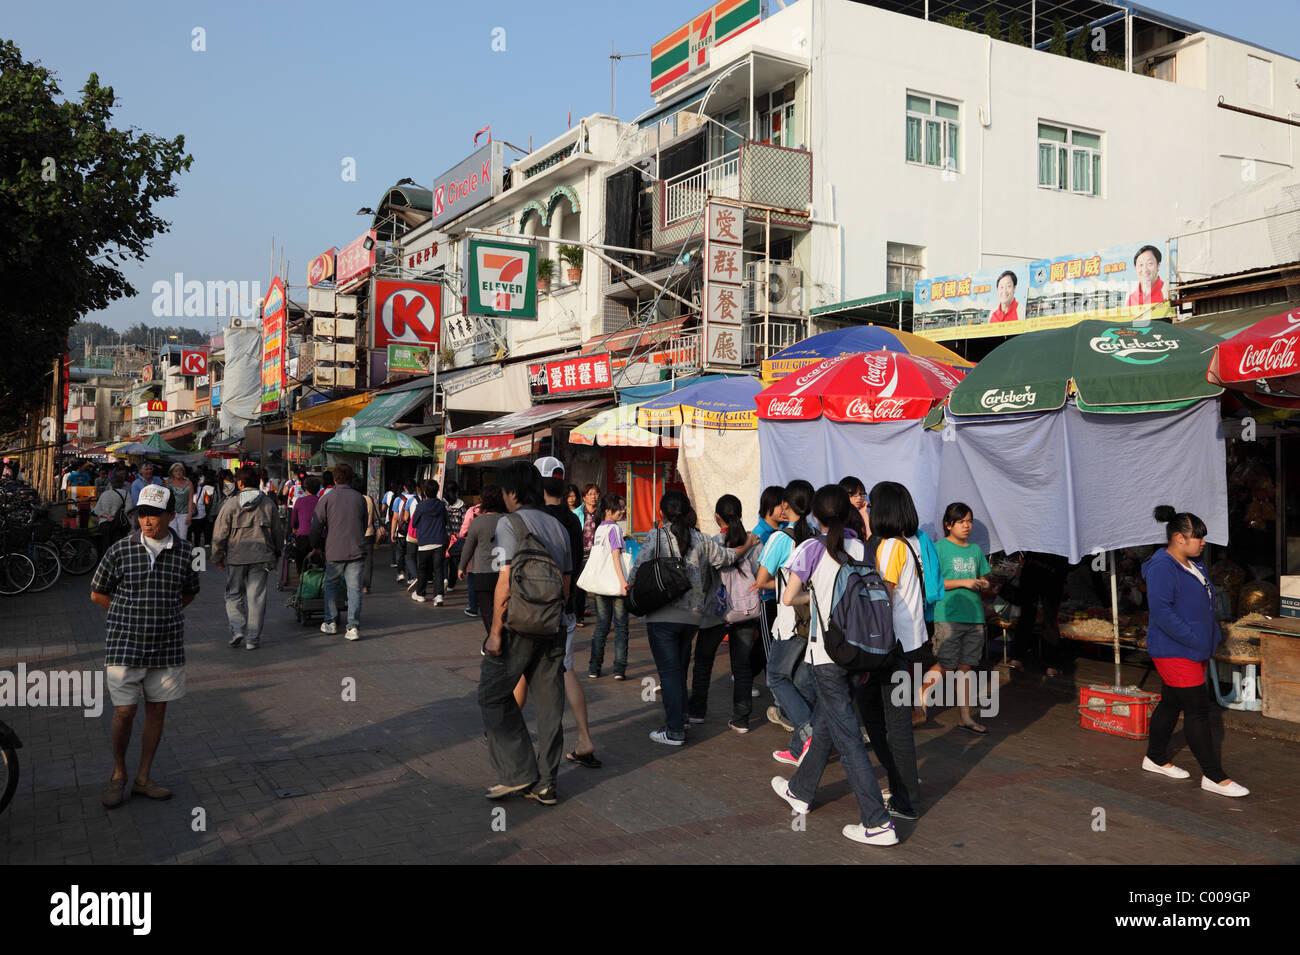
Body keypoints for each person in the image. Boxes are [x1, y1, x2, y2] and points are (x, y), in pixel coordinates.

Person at [770, 483, 898, 847]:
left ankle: (877, 822)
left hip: (827, 655)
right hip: (861, 652)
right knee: (829, 723)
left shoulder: (811, 548)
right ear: (847, 512)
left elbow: (788, 596)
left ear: (815, 515)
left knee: (848, 739)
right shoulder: (861, 547)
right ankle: (800, 790)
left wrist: (817, 594)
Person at [90, 484, 200, 808]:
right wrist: (128, 615)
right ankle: (118, 773)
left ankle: (143, 778)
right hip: (124, 645)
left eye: (154, 514)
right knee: (124, 713)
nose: (147, 521)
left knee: (157, 710)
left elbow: (190, 591)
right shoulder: (120, 550)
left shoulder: (185, 552)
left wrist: (163, 613)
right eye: (142, 514)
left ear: (171, 514)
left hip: (166, 645)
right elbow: (98, 592)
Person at [478, 461, 573, 806]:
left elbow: (505, 579)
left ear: (514, 492)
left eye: (504, 490)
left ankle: (518, 773)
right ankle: (547, 784)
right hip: (553, 625)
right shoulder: (558, 525)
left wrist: (495, 632)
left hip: (518, 625)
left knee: (492, 695)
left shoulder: (510, 524)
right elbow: (565, 582)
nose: (503, 496)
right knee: (549, 708)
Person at [629, 489, 754, 746]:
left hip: (662, 615)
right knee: (677, 670)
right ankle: (682, 717)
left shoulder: (656, 536)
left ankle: (675, 730)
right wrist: (748, 544)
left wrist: (631, 589)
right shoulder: (702, 539)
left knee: (670, 673)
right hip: (692, 618)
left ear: (661, 513)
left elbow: (635, 573)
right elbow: (727, 558)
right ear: (687, 513)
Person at [1142, 505, 1248, 797]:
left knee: (1171, 703)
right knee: (1198, 710)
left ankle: (1154, 757)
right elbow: (1162, 612)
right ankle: (1214, 776)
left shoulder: (1195, 563)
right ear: (1178, 538)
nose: (1203, 542)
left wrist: (1210, 636)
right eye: (1197, 537)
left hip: (1193, 648)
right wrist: (1194, 639)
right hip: (1175, 650)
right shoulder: (1162, 567)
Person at [517, 467, 601, 769]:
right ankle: (584, 738)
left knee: (522, 668)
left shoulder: (535, 520)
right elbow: (573, 566)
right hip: (564, 609)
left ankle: (505, 733)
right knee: (566, 670)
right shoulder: (572, 521)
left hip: (535, 608)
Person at [857, 480, 926, 820]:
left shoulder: (890, 548)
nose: (867, 508)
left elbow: (881, 595)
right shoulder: (909, 543)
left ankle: (906, 799)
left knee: (895, 725)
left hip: (895, 648)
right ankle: (903, 785)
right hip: (909, 645)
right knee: (880, 716)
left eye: (871, 504)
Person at [752, 480, 819, 762]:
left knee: (777, 677)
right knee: (803, 683)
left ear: (787, 506)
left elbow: (760, 581)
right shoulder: (815, 537)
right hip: (814, 621)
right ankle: (800, 747)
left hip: (790, 620)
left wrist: (782, 588)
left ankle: (810, 730)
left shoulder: (781, 539)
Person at [688, 494, 763, 732]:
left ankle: (697, 711)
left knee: (703, 661)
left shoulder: (712, 542)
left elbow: (703, 577)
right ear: (739, 514)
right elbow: (761, 574)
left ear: (717, 516)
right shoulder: (755, 542)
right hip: (745, 610)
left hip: (715, 612)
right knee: (741, 666)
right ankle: (741, 719)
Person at [922, 503, 992, 734]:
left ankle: (965, 717)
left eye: (969, 521)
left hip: (974, 615)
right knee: (946, 663)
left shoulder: (975, 551)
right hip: (948, 616)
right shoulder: (939, 549)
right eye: (961, 521)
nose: (966, 526)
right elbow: (932, 584)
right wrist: (964, 582)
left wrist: (983, 583)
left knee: (966, 667)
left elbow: (983, 577)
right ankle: (920, 695)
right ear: (948, 524)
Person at [212, 465, 283, 651]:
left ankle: (237, 630)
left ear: (240, 483)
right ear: (258, 482)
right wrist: (277, 551)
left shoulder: (230, 504)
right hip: (262, 556)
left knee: (234, 594)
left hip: (236, 557)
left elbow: (219, 535)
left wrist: (217, 556)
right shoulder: (268, 504)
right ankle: (253, 639)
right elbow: (277, 532)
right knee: (256, 598)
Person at [311, 463, 369, 641]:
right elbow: (364, 522)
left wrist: (315, 545)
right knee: (354, 589)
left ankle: (330, 622)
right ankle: (352, 627)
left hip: (334, 550)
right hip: (356, 549)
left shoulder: (327, 498)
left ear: (335, 479)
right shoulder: (359, 498)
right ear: (351, 479)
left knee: (331, 586)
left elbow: (316, 524)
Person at [586, 492, 631, 680]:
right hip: (615, 584)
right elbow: (615, 556)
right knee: (621, 627)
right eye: (619, 508)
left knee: (601, 626)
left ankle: (594, 668)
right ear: (608, 510)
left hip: (601, 585)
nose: (622, 511)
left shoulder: (600, 529)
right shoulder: (614, 529)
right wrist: (623, 582)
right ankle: (619, 668)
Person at [1009, 551, 1069, 677]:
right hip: (1053, 571)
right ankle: (1051, 666)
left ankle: (1017, 658)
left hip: (1031, 568)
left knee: (1026, 615)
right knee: (1050, 619)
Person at [460, 484, 506, 635]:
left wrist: (462, 566)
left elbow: (469, 546)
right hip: (504, 572)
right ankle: (499, 639)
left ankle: (492, 637)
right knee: (504, 608)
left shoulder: (477, 521)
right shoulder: (509, 520)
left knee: (487, 611)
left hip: (482, 572)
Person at [411, 480, 449, 605]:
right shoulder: (441, 505)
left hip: (425, 542)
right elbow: (445, 521)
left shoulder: (421, 506)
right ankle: (439, 596)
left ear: (425, 492)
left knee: (422, 569)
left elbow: (414, 522)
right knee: (438, 569)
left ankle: (421, 594)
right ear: (437, 490)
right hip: (439, 541)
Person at [572, 483, 602, 626]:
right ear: (584, 497)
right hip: (582, 552)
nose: (593, 497)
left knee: (600, 587)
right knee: (579, 585)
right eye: (590, 494)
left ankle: (603, 618)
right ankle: (578, 616)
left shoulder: (602, 513)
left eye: (595, 493)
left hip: (598, 553)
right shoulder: (577, 513)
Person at [91, 470, 130, 553]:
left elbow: (96, 510)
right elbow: (129, 509)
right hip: (119, 525)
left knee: (106, 546)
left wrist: (107, 516)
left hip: (105, 524)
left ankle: (106, 562)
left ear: (111, 484)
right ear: (122, 484)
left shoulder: (104, 494)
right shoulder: (126, 493)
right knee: (118, 547)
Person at [458, 497, 484, 618]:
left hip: (475, 550)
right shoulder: (502, 514)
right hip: (494, 552)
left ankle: (473, 607)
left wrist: (461, 566)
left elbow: (463, 531)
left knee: (472, 578)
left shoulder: (473, 511)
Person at [353, 476, 379, 594]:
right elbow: (375, 517)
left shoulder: (352, 499)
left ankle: (354, 583)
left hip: (354, 534)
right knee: (368, 561)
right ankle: (366, 586)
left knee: (354, 560)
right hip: (368, 533)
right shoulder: (369, 499)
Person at [290, 475, 321, 573]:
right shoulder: (321, 501)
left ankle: (303, 583)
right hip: (319, 538)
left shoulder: (300, 501)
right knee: (318, 566)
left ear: (305, 489)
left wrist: (295, 528)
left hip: (302, 537)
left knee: (301, 565)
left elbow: (294, 521)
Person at [443, 481, 468, 594]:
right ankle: (451, 584)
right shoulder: (462, 505)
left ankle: (444, 579)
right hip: (457, 538)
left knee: (443, 560)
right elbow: (465, 522)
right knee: (454, 563)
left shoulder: (442, 504)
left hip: (444, 536)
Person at [391, 480, 417, 581]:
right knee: (412, 555)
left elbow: (395, 517)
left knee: (400, 553)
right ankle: (411, 577)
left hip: (402, 530)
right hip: (414, 532)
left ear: (404, 487)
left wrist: (393, 532)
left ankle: (401, 573)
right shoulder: (419, 498)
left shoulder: (399, 499)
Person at [166, 463, 195, 541]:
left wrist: (190, 514)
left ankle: (182, 552)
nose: (178, 473)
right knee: (172, 535)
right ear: (172, 472)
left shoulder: (189, 483)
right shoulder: (168, 483)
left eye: (180, 470)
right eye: (175, 471)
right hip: (171, 513)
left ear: (183, 472)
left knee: (182, 537)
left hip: (184, 513)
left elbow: (190, 499)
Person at [190, 471, 216, 547]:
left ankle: (189, 548)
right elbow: (207, 502)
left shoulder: (186, 488)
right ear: (198, 480)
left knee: (188, 534)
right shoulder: (202, 489)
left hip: (188, 514)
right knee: (197, 534)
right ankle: (196, 549)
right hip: (200, 515)